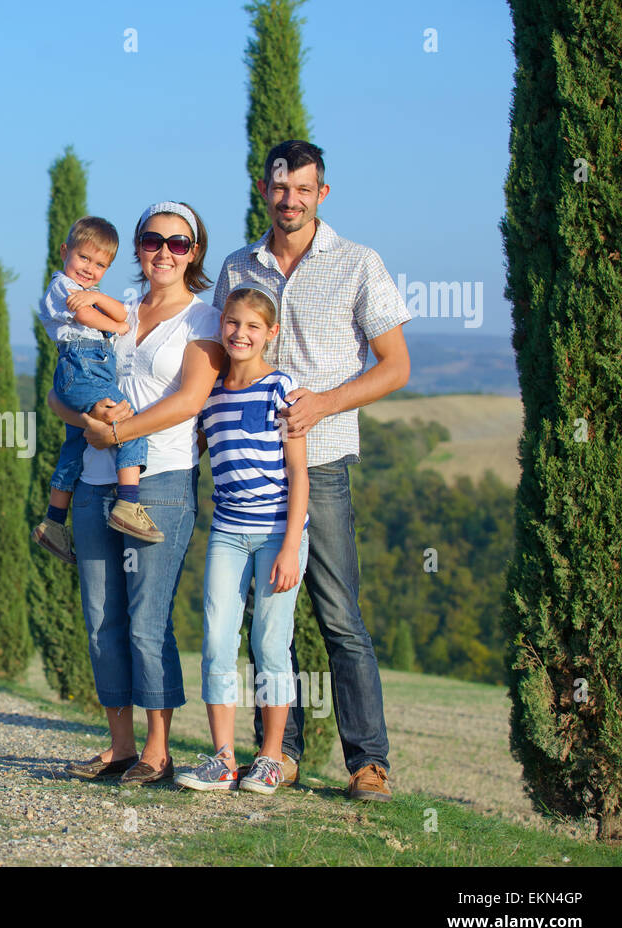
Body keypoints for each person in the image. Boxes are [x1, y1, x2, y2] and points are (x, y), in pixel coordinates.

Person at [211, 140, 411, 801]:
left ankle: (367, 763)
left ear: (321, 194)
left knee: (337, 615)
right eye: (279, 187)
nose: (289, 198)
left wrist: (325, 401)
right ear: (262, 190)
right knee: (265, 619)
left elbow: (395, 367)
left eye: (303, 189)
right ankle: (282, 753)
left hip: (318, 465)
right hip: (247, 479)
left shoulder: (358, 264)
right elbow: (219, 358)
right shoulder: (241, 264)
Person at [54, 201, 224, 786]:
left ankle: (159, 749)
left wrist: (118, 430)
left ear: (193, 252)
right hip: (96, 480)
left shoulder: (204, 320)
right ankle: (119, 746)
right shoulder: (109, 308)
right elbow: (62, 389)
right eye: (153, 240)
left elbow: (188, 402)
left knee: (147, 619)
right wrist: (86, 422)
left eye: (178, 243)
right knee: (102, 617)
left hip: (163, 479)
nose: (164, 251)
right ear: (138, 246)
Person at [174, 281, 309, 795]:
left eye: (253, 326)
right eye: (232, 322)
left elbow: (299, 474)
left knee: (270, 645)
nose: (240, 333)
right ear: (221, 325)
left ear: (270, 333)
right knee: (215, 641)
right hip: (227, 532)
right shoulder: (206, 395)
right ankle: (224, 759)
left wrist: (293, 545)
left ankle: (271, 758)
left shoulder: (282, 388)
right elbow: (191, 446)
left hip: (278, 533)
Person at [31, 216, 161, 567]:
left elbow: (120, 312)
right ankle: (128, 503)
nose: (90, 269)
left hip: (88, 368)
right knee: (128, 421)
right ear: (65, 252)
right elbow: (89, 318)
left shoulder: (88, 291)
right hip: (82, 367)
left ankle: (54, 522)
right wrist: (115, 325)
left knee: (76, 445)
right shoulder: (61, 286)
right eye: (84, 258)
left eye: (100, 264)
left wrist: (105, 303)